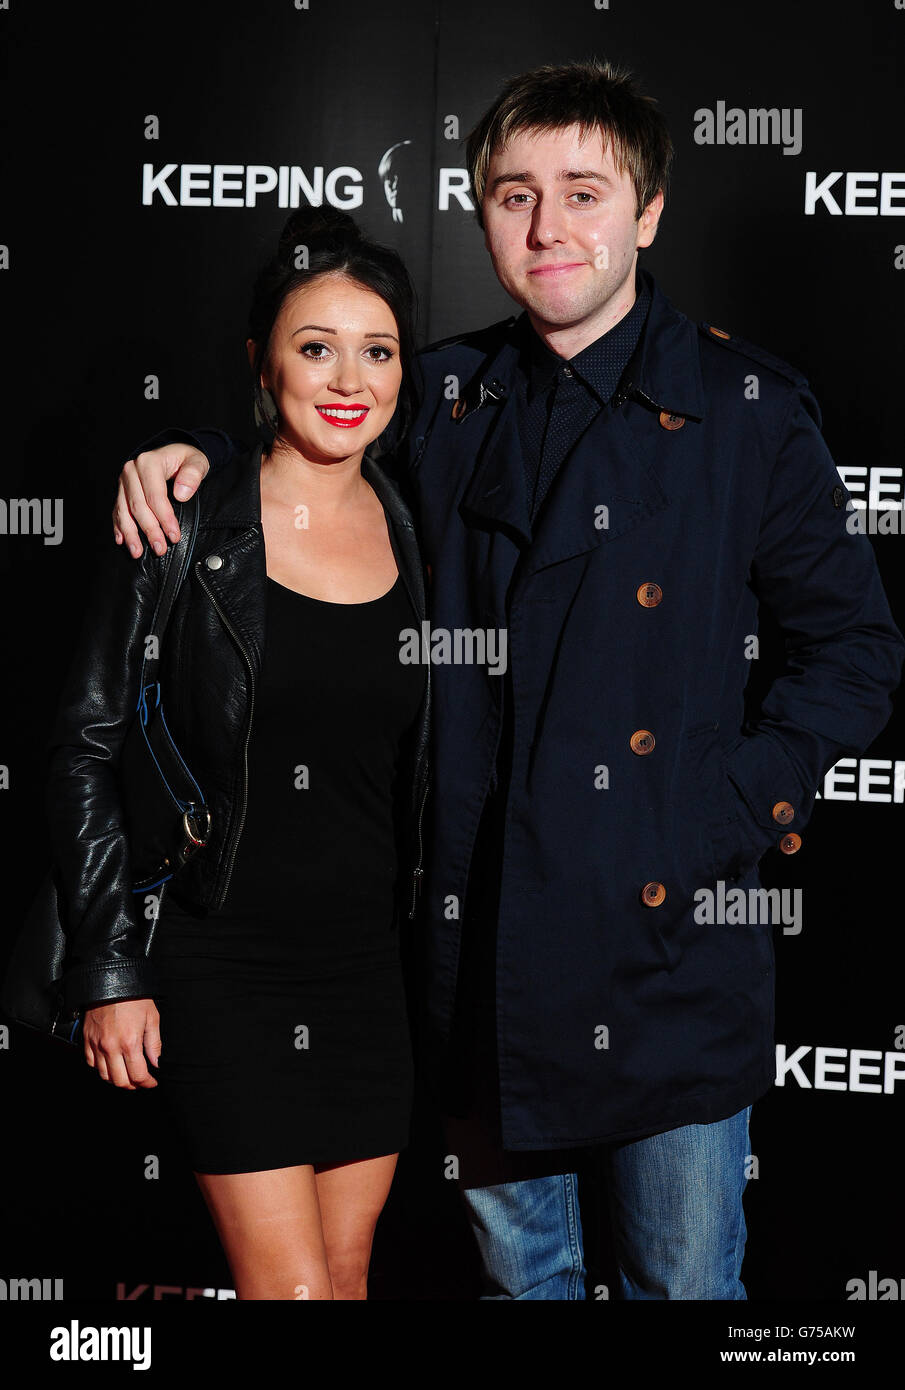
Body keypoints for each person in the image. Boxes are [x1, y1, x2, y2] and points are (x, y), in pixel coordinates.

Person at [109, 59, 905, 1300]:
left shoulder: (748, 409)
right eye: (513, 194)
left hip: (670, 953)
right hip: (482, 957)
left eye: (584, 194)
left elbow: (853, 648)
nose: (547, 228)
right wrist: (196, 455)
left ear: (645, 215)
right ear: (478, 211)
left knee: (682, 1291)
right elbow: (319, 426)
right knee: (517, 1288)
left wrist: (726, 811)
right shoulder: (441, 394)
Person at [46, 208, 430, 1300]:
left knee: (345, 1283)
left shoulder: (414, 526)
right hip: (222, 965)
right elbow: (83, 746)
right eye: (315, 346)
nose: (348, 376)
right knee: (293, 1295)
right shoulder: (181, 516)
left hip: (365, 976)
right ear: (262, 361)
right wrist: (109, 967)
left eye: (378, 348)